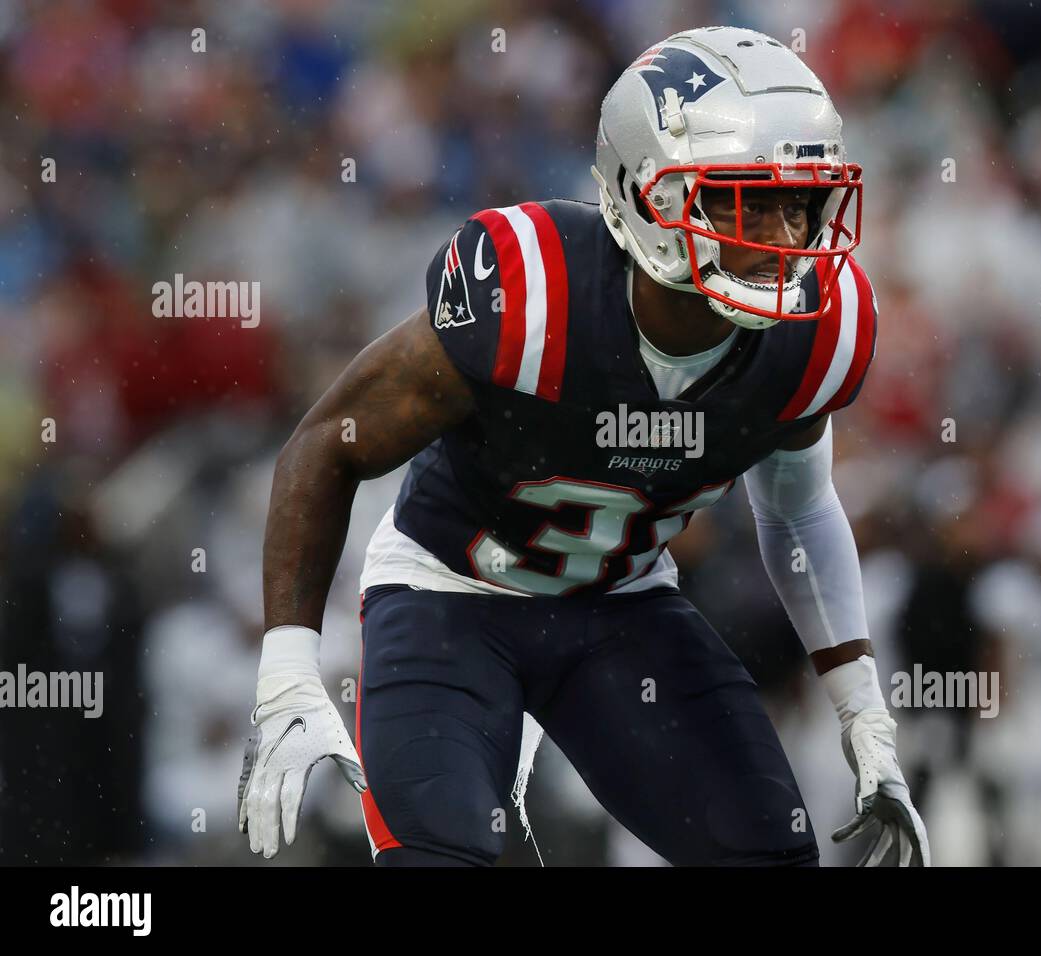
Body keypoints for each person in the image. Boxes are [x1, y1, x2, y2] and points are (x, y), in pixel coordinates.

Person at [237, 25, 928, 867]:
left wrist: (862, 711)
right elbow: (327, 444)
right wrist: (287, 668)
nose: (788, 238)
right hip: (451, 595)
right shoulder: (532, 291)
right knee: (442, 858)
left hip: (619, 608)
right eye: (750, 200)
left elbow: (799, 507)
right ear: (652, 196)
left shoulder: (822, 330)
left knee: (769, 853)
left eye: (802, 203)